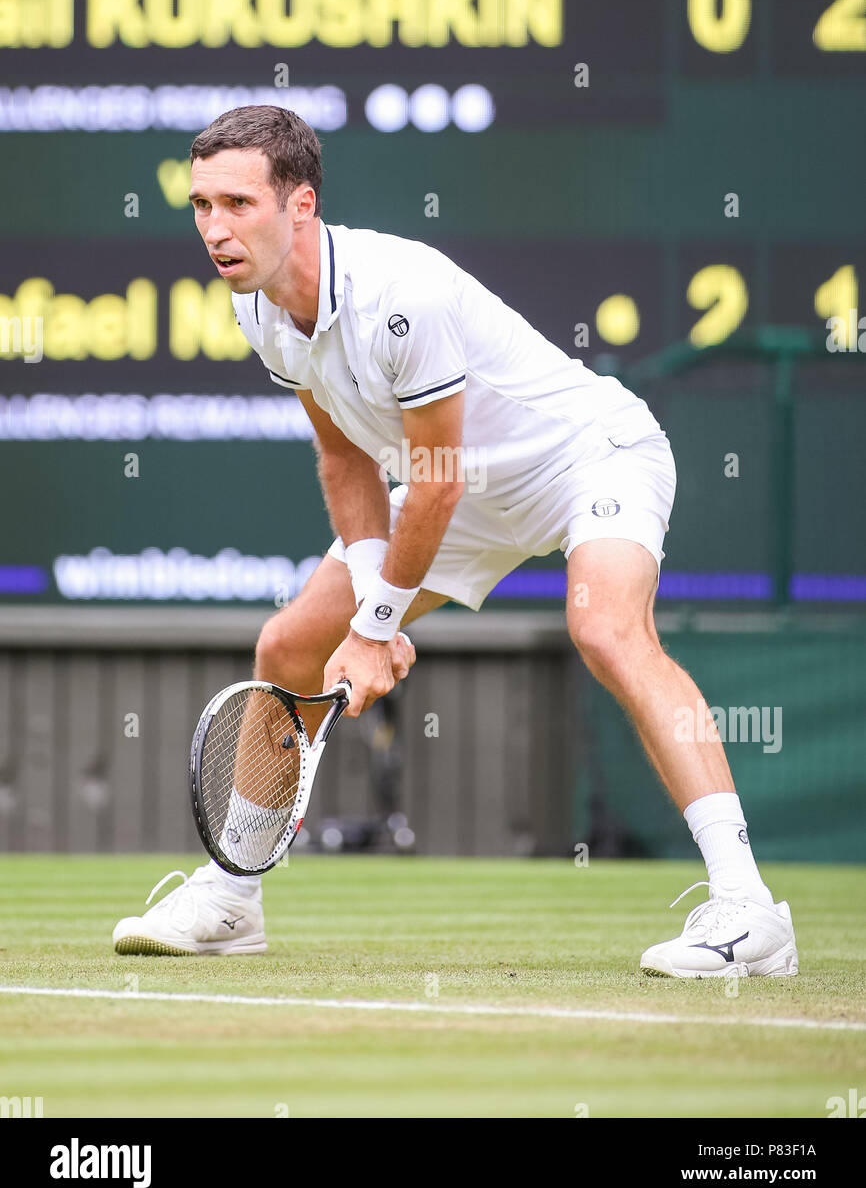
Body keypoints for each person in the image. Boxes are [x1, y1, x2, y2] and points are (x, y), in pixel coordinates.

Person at [113, 106, 798, 978]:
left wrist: (376, 628)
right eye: (201, 205)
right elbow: (345, 460)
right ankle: (231, 896)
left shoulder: (404, 296)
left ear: (301, 206)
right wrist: (367, 608)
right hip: (464, 493)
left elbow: (433, 477)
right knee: (287, 643)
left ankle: (746, 906)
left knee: (605, 629)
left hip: (586, 458)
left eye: (237, 203)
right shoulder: (261, 309)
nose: (215, 228)